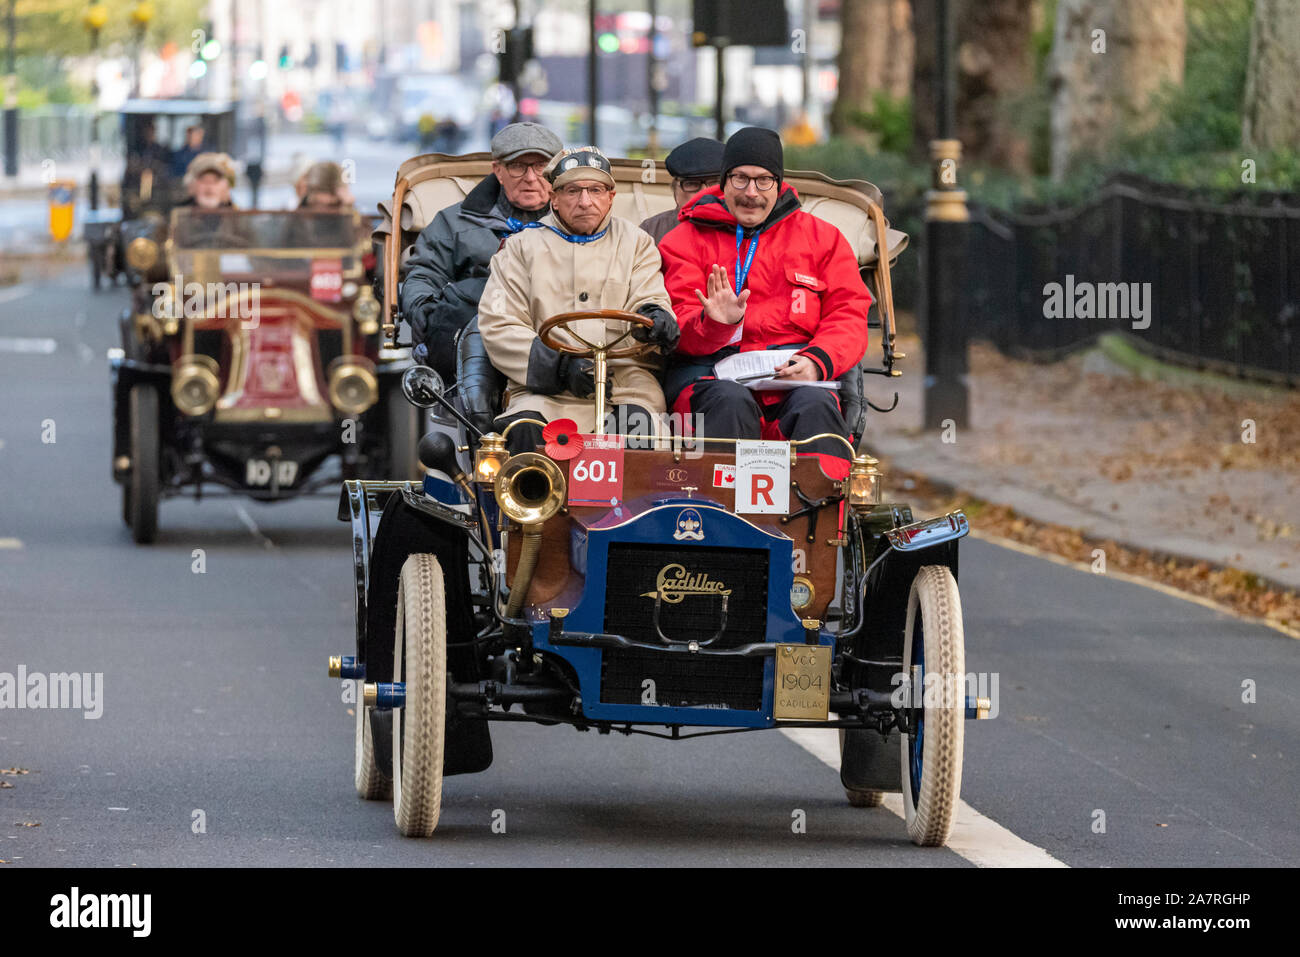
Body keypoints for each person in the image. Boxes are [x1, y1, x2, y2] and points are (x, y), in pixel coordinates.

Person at [658, 127, 872, 478]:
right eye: (740, 179)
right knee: (729, 403)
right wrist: (716, 323)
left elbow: (848, 314)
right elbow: (673, 323)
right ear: (724, 182)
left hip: (796, 378)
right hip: (711, 378)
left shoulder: (823, 239)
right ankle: (716, 523)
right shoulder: (683, 240)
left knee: (816, 406)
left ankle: (815, 526)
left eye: (763, 181)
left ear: (779, 183)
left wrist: (817, 361)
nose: (751, 193)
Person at [478, 146, 679, 453]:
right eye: (572, 191)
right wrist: (558, 368)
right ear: (554, 199)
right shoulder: (520, 248)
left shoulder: (636, 242)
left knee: (641, 435)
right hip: (543, 392)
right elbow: (499, 324)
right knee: (522, 434)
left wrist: (655, 317)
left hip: (624, 386)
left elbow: (649, 294)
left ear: (611, 196)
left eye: (595, 190)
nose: (585, 201)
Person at [399, 121, 563, 379]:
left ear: (556, 171)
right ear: (498, 170)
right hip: (477, 350)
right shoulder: (453, 223)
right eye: (518, 166)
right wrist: (429, 314)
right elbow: (422, 276)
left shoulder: (578, 223)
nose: (531, 178)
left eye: (541, 166)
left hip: (560, 345)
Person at [638, 137, 724, 245]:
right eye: (692, 184)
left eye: (714, 183)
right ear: (675, 189)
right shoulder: (651, 231)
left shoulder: (743, 229)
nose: (704, 192)